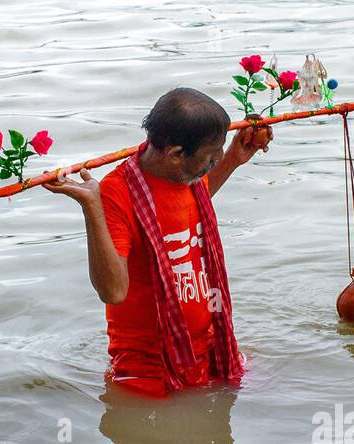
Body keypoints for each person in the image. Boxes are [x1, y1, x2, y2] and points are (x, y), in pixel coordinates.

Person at [45, 87, 273, 397]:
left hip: (208, 350)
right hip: (147, 369)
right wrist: (92, 208)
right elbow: (112, 291)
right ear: (176, 154)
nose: (216, 159)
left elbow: (190, 206)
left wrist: (232, 158)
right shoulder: (117, 192)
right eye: (211, 154)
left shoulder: (184, 178)